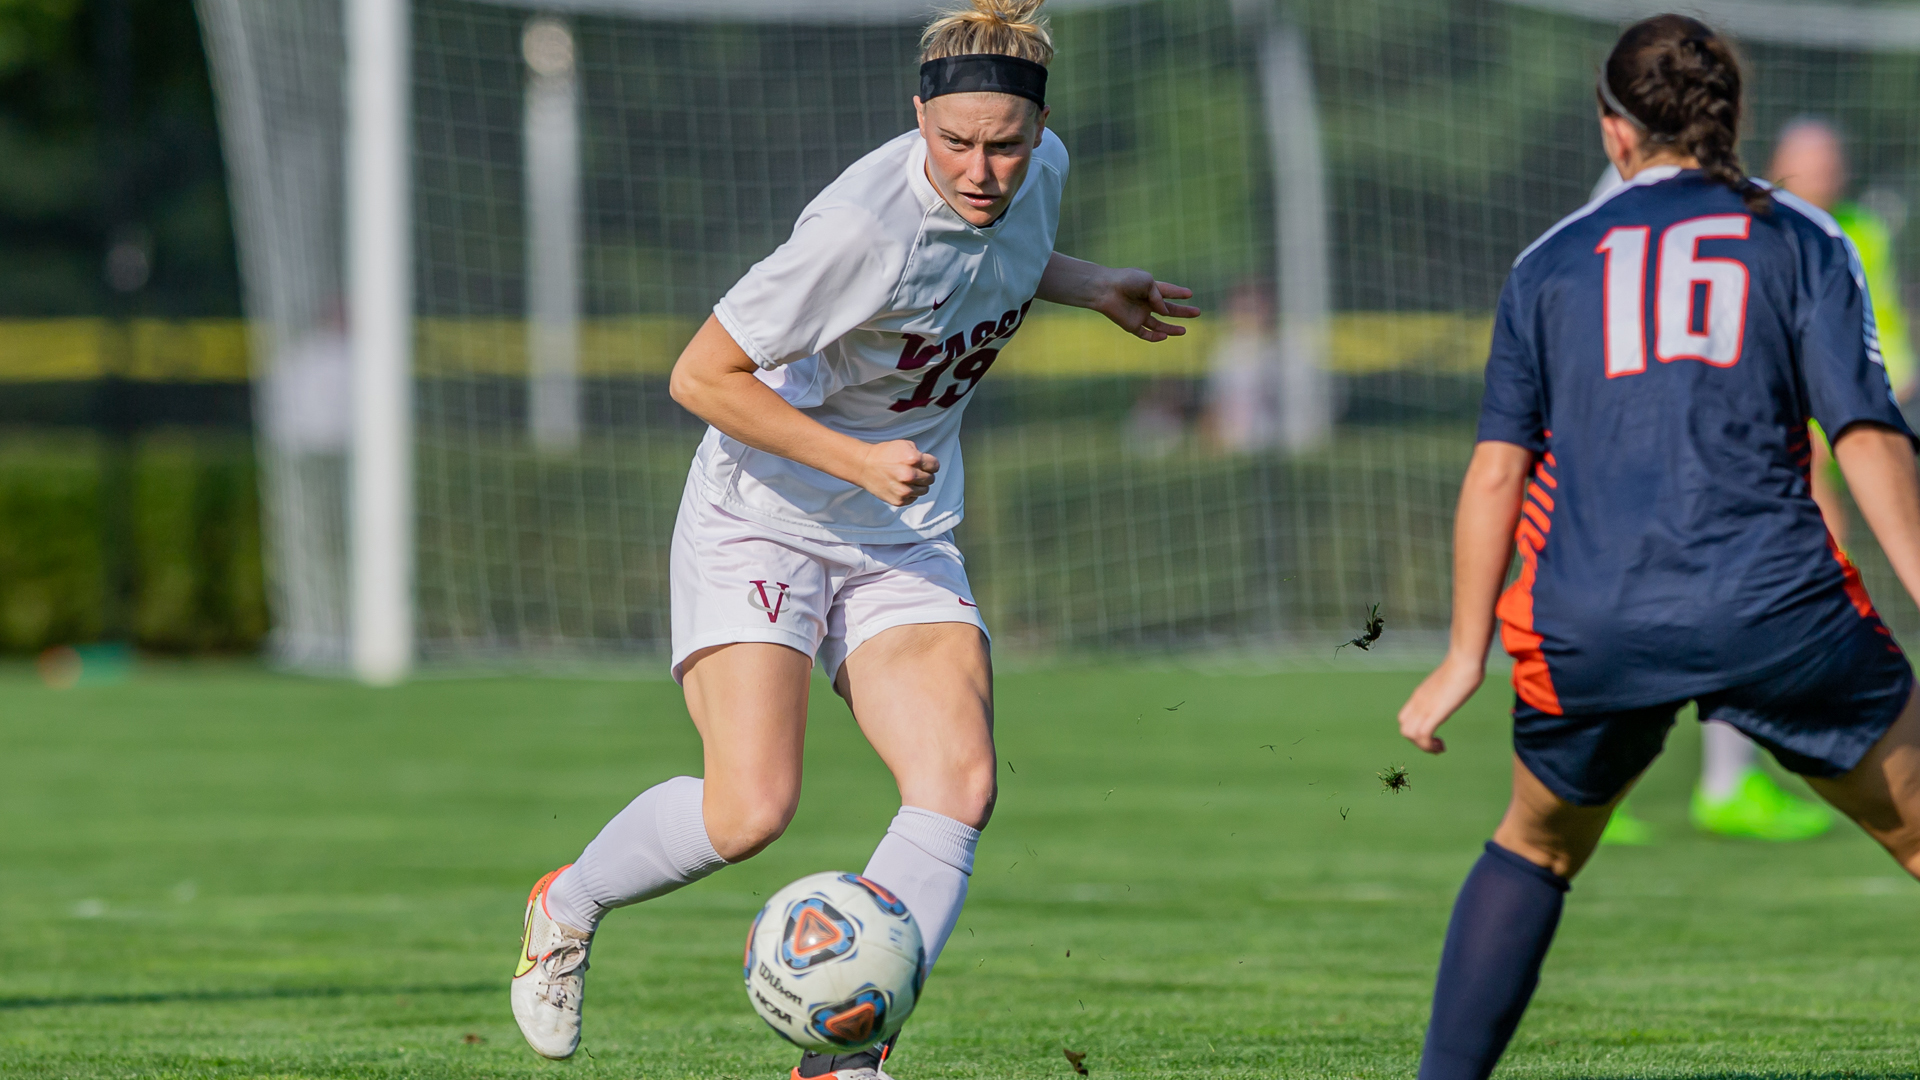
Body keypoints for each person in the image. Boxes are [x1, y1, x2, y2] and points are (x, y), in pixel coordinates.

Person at [508, 3, 1199, 1078]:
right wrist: (856, 459)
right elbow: (700, 376)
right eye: (957, 143)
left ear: (1041, 128)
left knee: (958, 784)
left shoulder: (1041, 171)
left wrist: (1090, 283)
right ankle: (567, 906)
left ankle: (847, 1057)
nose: (982, 170)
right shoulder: (858, 230)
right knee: (750, 811)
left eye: (1006, 145)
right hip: (764, 517)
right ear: (918, 116)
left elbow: (997, 257)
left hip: (898, 530)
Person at [1396, 15, 1920, 1079]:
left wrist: (1461, 657)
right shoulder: (1805, 236)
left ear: (1614, 130)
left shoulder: (1547, 262)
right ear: (1731, 117)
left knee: (1534, 848)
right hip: (1775, 607)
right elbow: (1864, 433)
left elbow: (1496, 473)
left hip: (1594, 619)